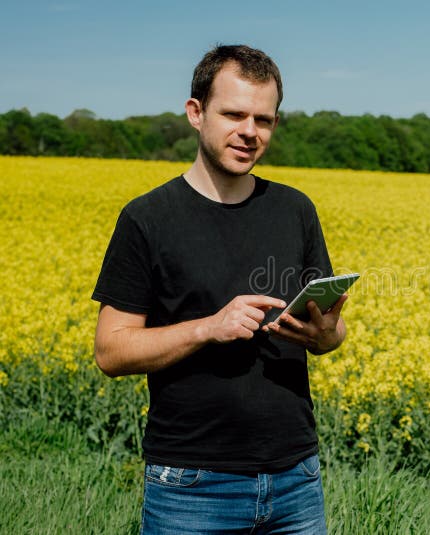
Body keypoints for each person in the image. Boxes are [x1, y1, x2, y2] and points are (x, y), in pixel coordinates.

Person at [92, 44, 346, 534]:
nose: (249, 132)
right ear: (195, 112)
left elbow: (331, 339)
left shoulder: (296, 211)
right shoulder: (147, 219)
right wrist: (209, 327)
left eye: (264, 120)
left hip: (297, 479)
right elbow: (110, 351)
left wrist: (326, 335)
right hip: (192, 486)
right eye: (233, 114)